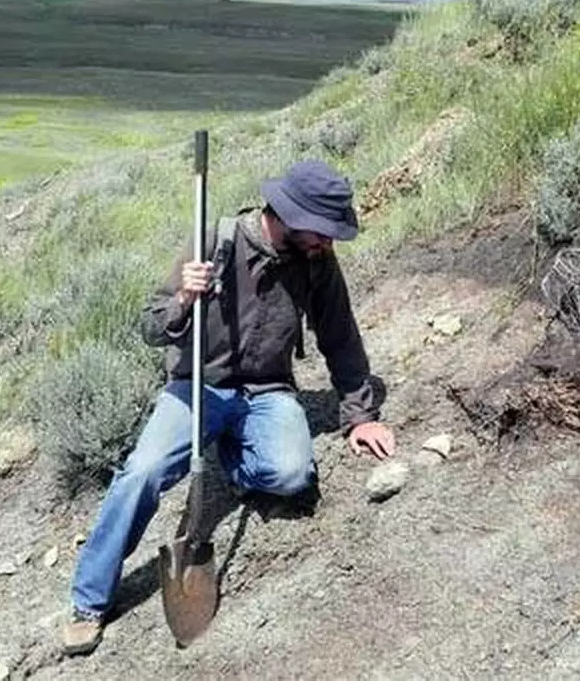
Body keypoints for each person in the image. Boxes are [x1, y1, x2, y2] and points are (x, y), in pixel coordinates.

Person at [62, 159, 397, 655]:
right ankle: (90, 601)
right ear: (288, 214)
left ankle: (234, 460)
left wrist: (360, 415)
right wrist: (182, 297)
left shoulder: (317, 262)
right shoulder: (214, 239)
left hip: (268, 391)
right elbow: (150, 325)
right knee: (144, 471)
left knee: (290, 476)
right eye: (322, 231)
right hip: (197, 388)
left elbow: (340, 336)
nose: (328, 242)